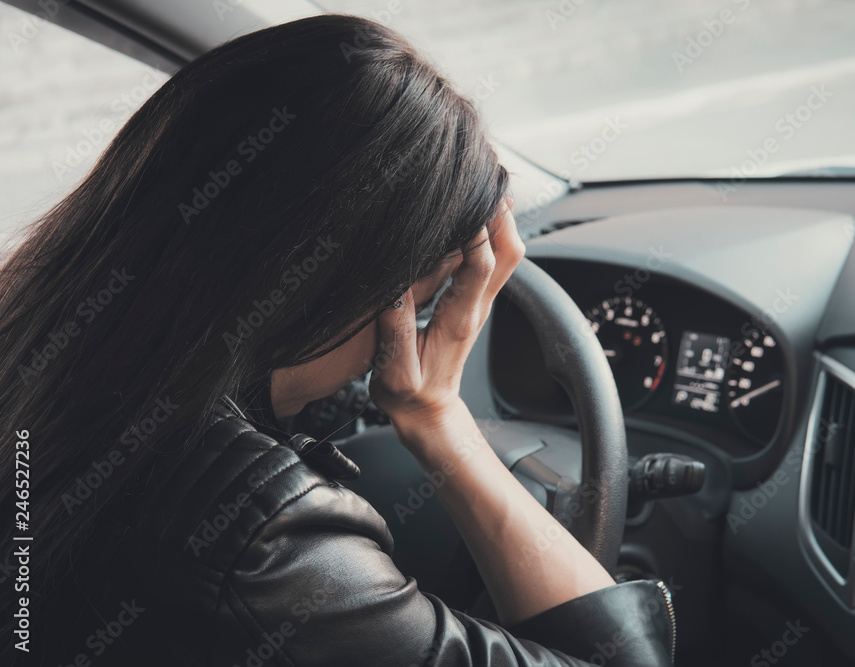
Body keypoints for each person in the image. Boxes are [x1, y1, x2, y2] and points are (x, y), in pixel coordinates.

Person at [0, 15, 674, 666]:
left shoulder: (33, 330)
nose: (414, 335)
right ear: (346, 291)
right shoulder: (257, 533)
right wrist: (438, 416)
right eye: (428, 300)